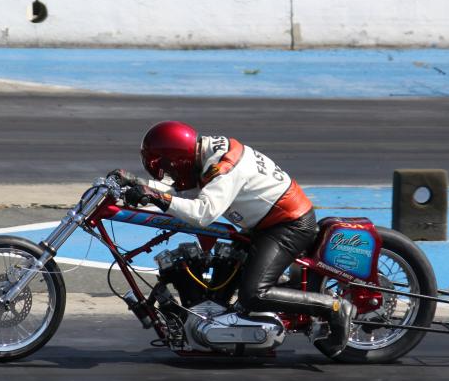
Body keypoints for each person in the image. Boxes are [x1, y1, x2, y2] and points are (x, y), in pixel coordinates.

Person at [111, 120, 354, 357]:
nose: (170, 174)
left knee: (254, 293)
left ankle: (333, 308)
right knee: (225, 268)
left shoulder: (223, 167)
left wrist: (156, 197)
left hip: (287, 224)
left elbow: (203, 213)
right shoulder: (205, 156)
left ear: (179, 158)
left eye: (169, 168)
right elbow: (181, 192)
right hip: (261, 224)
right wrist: (138, 184)